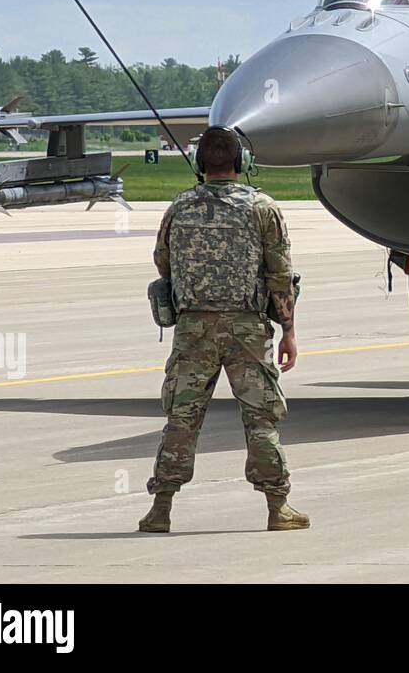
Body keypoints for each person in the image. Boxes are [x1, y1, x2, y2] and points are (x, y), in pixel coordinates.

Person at [138, 127, 308, 533]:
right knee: (261, 417)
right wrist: (288, 330)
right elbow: (280, 275)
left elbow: (163, 262)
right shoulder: (263, 208)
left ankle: (160, 508)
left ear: (201, 165)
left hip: (193, 327)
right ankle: (277, 507)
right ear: (241, 164)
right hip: (248, 329)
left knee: (182, 417)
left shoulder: (179, 207)